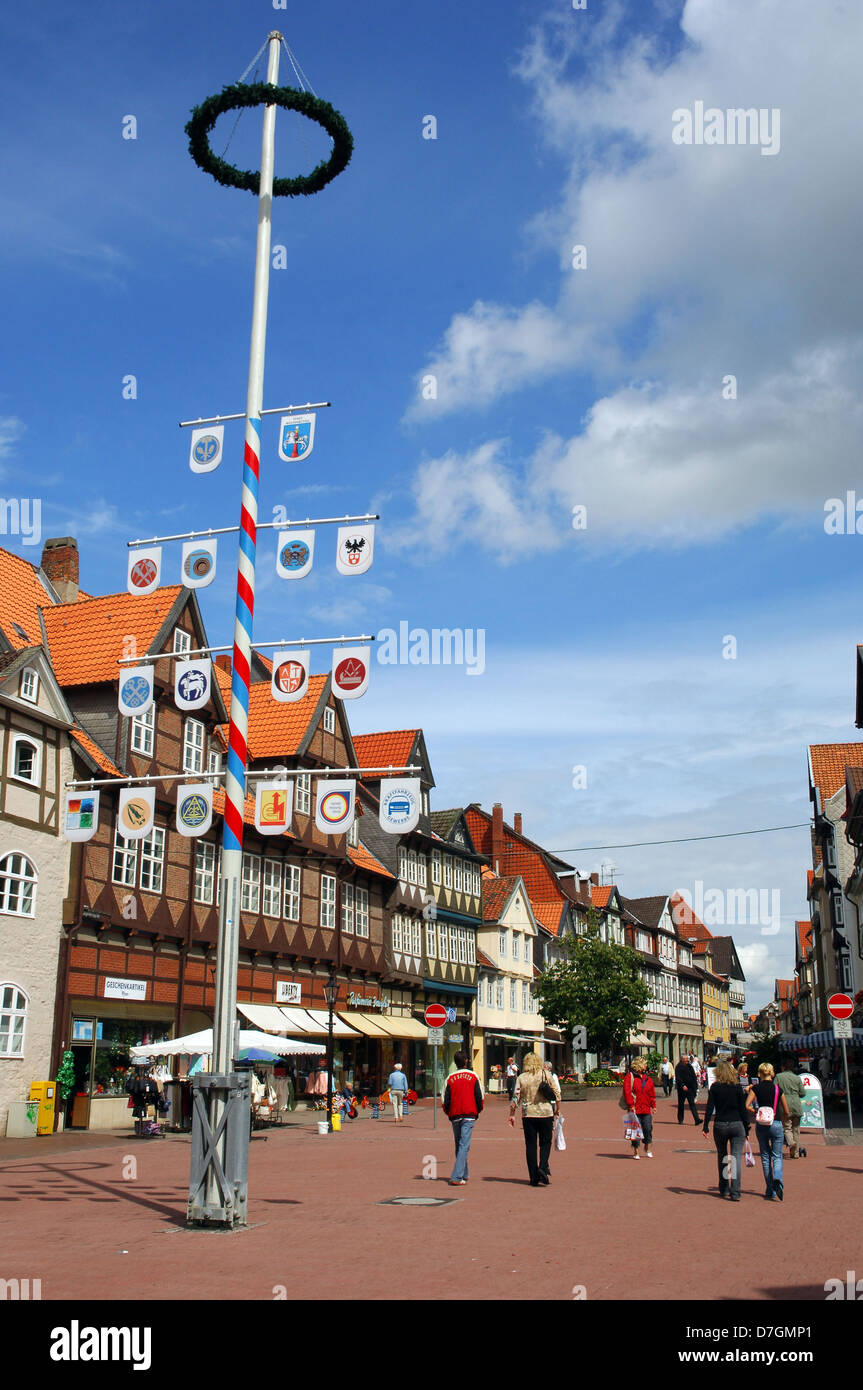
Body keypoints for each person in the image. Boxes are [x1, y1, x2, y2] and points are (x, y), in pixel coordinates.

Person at [508, 1051, 561, 1186]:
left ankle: (533, 1176)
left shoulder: (522, 1077)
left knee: (530, 1145)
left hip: (528, 1114)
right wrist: (557, 1110)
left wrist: (512, 1114)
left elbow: (515, 1097)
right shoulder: (546, 1074)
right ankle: (543, 1167)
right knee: (545, 1143)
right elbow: (557, 1094)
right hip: (546, 1113)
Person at [702, 1059, 750, 1200]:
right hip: (737, 1123)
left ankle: (724, 1188)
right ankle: (735, 1191)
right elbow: (743, 1109)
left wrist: (705, 1126)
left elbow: (710, 1108)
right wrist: (747, 1128)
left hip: (720, 1124)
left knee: (723, 1156)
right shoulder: (737, 1087)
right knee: (735, 1158)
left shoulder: (715, 1087)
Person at [746, 1062, 790, 1201]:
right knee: (777, 1156)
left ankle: (770, 1189)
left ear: (760, 1073)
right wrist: (782, 1121)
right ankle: (778, 1178)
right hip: (776, 1122)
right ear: (772, 1073)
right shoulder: (778, 1089)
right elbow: (787, 1111)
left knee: (765, 1157)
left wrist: (756, 1112)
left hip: (762, 1124)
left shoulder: (756, 1088)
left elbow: (747, 1105)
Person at [442, 1050, 484, 1185]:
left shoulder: (450, 1078)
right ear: (466, 1061)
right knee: (464, 1145)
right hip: (469, 1114)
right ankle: (457, 1176)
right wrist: (478, 1110)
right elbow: (480, 1096)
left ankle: (463, 1174)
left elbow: (445, 1098)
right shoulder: (473, 1076)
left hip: (455, 1114)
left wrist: (448, 1112)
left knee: (459, 1144)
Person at [623, 1056, 656, 1158]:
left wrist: (653, 1105)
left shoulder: (648, 1079)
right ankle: (636, 1150)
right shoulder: (630, 1077)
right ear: (640, 1065)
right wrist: (630, 1105)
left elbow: (651, 1093)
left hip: (646, 1108)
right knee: (635, 1130)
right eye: (645, 1064)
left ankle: (647, 1146)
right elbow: (627, 1092)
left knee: (647, 1128)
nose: (646, 1066)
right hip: (634, 1108)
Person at [776, 1061, 805, 1159]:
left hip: (785, 1104)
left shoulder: (779, 1077)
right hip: (796, 1104)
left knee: (786, 1127)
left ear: (783, 1067)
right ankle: (795, 1153)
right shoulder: (797, 1078)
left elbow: (775, 1090)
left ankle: (791, 1142)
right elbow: (803, 1093)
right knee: (796, 1129)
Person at [675, 1055, 700, 1124]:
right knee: (681, 1105)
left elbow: (693, 1076)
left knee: (692, 1104)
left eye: (687, 1059)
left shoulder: (690, 1066)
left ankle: (697, 1119)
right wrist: (682, 1085)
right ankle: (680, 1119)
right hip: (682, 1089)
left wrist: (695, 1086)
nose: (687, 1060)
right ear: (682, 1059)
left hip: (690, 1088)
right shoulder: (678, 1067)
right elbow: (678, 1078)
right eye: (685, 1059)